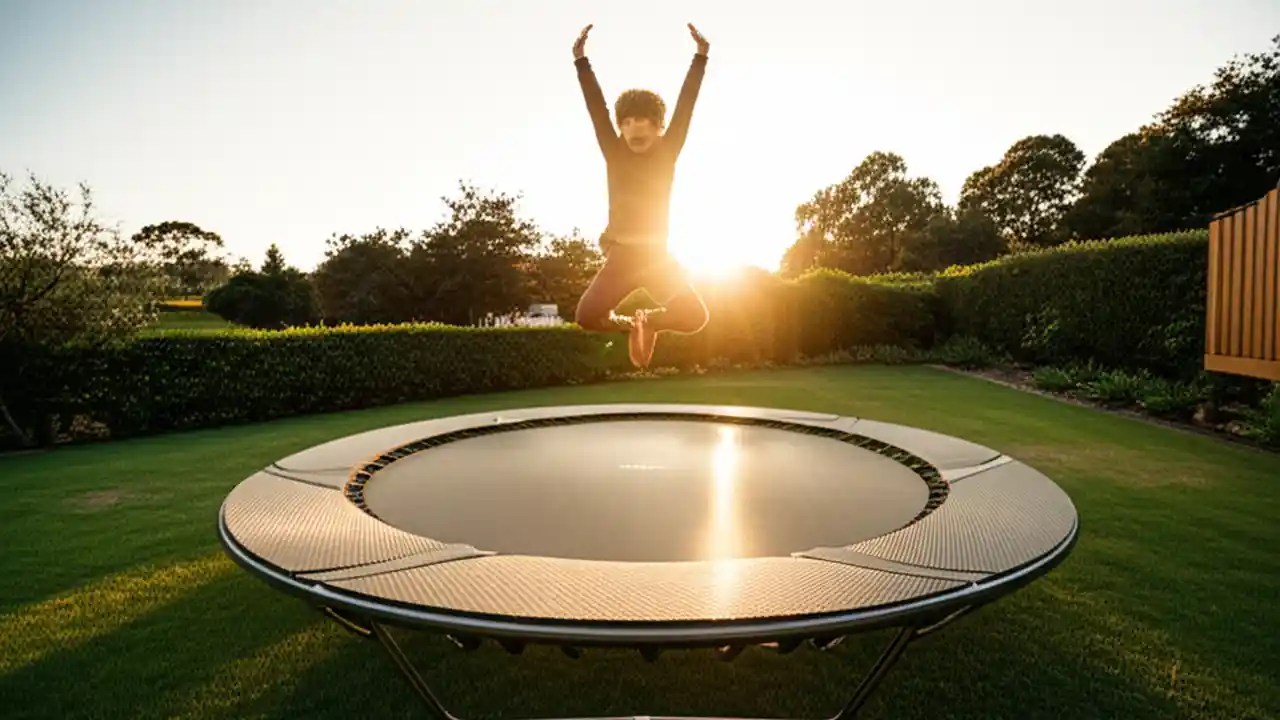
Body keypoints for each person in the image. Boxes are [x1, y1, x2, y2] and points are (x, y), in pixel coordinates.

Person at [571, 23, 711, 369]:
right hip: (621, 259)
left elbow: (686, 106)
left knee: (695, 316)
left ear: (660, 128)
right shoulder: (613, 152)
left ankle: (649, 321)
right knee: (587, 315)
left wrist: (700, 58)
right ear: (620, 127)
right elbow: (596, 109)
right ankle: (630, 323)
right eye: (628, 121)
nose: (635, 127)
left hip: (657, 258)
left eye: (645, 121)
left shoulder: (668, 153)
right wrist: (581, 62)